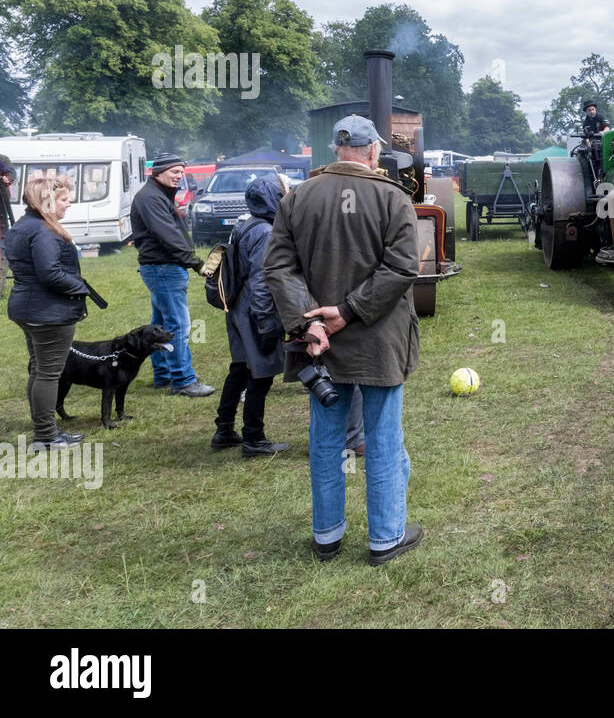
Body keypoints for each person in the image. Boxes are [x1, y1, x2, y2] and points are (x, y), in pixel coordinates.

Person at [264, 116, 423, 566]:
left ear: (337, 149)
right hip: (378, 341)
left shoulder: (297, 198)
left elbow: (279, 269)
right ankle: (386, 538)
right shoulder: (393, 198)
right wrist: (347, 313)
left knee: (326, 440)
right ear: (373, 151)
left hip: (320, 346)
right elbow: (401, 268)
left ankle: (327, 536)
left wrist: (310, 322)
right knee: (383, 440)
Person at [4, 176, 90, 450]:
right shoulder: (43, 230)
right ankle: (45, 436)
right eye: (64, 199)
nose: (69, 204)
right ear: (48, 200)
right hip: (47, 312)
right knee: (48, 373)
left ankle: (45, 430)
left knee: (39, 369)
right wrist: (81, 287)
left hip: (28, 307)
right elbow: (50, 272)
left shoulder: (23, 225)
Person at [211, 176, 291, 458]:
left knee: (241, 368)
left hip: (236, 307)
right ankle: (254, 439)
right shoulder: (266, 232)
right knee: (261, 374)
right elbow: (261, 282)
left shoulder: (244, 223)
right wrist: (267, 322)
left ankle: (224, 430)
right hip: (254, 310)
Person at [130, 153, 213, 397]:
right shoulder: (150, 198)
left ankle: (164, 375)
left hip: (161, 267)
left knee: (160, 324)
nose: (179, 176)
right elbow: (168, 235)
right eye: (174, 171)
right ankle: (183, 380)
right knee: (178, 325)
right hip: (163, 268)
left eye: (181, 172)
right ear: (158, 172)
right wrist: (196, 263)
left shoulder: (156, 195)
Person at [0, 155, 15, 299]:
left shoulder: (2, 159)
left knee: (2, 251)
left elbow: (10, 172)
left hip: (1, 213)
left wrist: (7, 178)